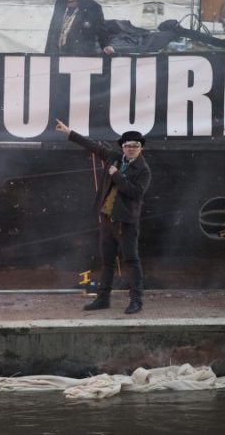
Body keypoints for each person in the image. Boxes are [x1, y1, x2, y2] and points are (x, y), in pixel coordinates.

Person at [54, 119, 151, 314]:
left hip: (126, 223)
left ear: (141, 148)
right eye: (128, 145)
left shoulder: (144, 170)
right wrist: (68, 132)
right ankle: (103, 299)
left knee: (132, 261)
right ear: (122, 147)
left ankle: (136, 301)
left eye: (135, 146)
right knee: (107, 262)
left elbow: (135, 193)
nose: (132, 148)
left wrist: (117, 175)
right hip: (107, 220)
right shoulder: (114, 157)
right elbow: (92, 146)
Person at [44, 0, 115, 55]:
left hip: (81, 54)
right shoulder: (60, 2)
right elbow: (53, 29)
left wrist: (106, 45)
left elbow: (101, 31)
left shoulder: (93, 7)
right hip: (57, 52)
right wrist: (47, 54)